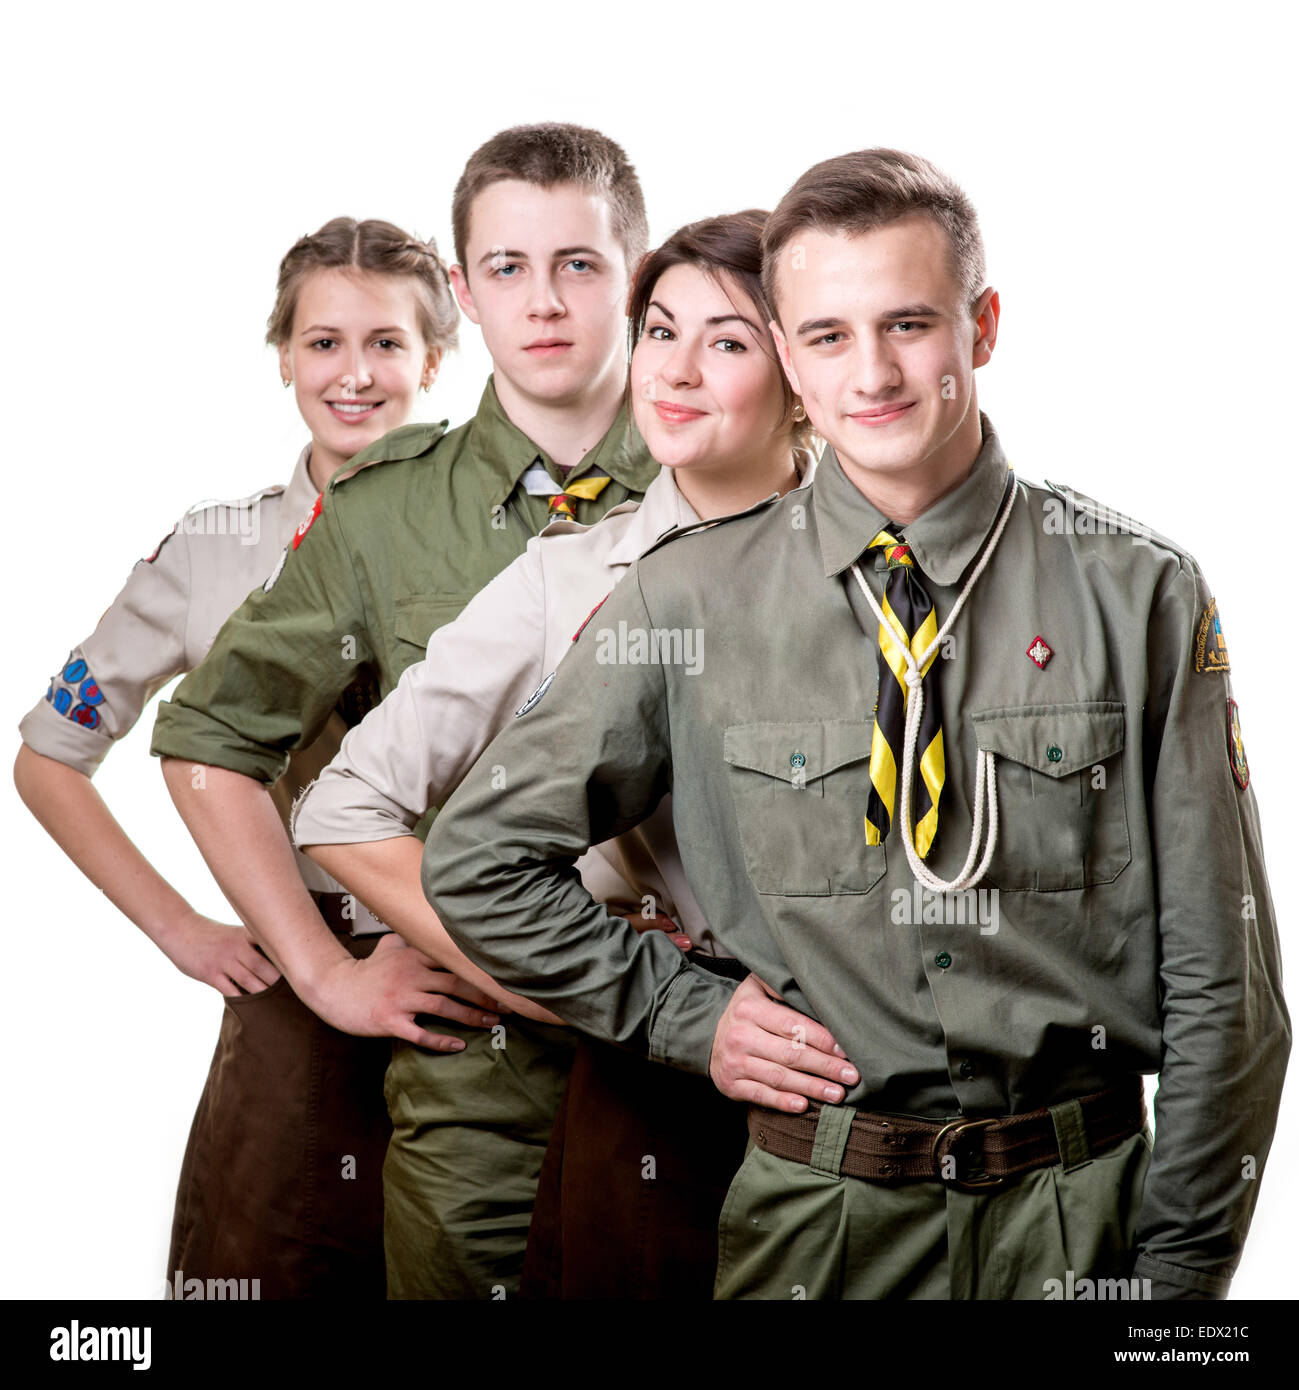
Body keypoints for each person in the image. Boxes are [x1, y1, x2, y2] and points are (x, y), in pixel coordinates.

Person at [419, 148, 1290, 1300]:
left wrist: (1177, 1284)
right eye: (826, 335)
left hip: (1082, 1228)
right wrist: (689, 1014)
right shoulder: (691, 600)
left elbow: (1225, 986)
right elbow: (479, 861)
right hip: (815, 1231)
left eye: (910, 324)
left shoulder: (1139, 592)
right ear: (786, 353)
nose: (871, 373)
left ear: (981, 326)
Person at [149, 122, 660, 1299]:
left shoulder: (732, 479)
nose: (544, 302)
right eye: (507, 269)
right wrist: (324, 970)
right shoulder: (384, 513)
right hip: (478, 1080)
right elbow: (207, 742)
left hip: (693, 1073)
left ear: (633, 271)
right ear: (465, 297)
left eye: (578, 264)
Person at [291, 210, 832, 1299]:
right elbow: (345, 804)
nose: (673, 371)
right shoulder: (571, 575)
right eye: (660, 331)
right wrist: (558, 974)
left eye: (725, 341)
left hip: (874, 1086)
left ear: (804, 368)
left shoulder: (902, 559)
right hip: (664, 1082)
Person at [13, 216, 474, 1299]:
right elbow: (50, 754)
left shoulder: (517, 532)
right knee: (267, 1263)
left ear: (438, 359)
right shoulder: (215, 546)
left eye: (387, 344)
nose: (352, 375)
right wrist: (184, 929)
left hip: (473, 956)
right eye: (323, 343)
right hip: (295, 961)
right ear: (282, 355)